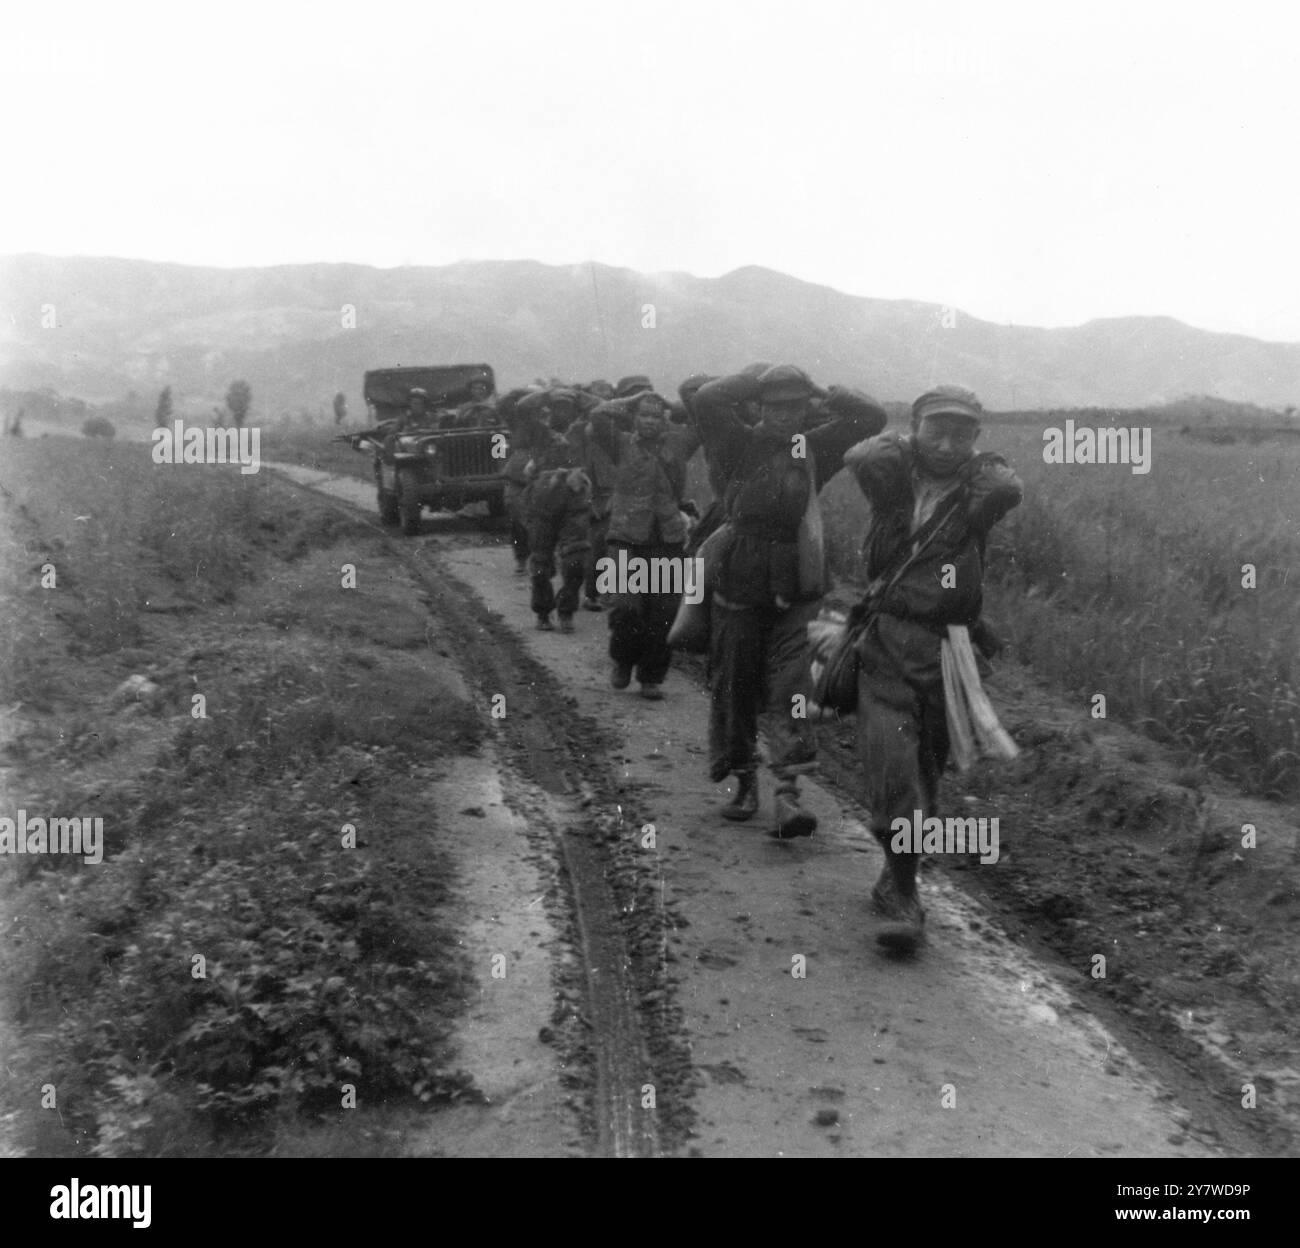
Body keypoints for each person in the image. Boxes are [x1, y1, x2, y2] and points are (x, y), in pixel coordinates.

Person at [844, 384, 1022, 952]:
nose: (946, 445)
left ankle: (896, 878)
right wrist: (901, 442)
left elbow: (1007, 485)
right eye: (934, 431)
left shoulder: (976, 498)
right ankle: (905, 899)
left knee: (925, 768)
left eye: (962, 434)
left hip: (948, 652)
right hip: (887, 642)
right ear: (913, 429)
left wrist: (980, 461)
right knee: (894, 764)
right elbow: (862, 454)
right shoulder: (891, 485)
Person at [692, 365, 886, 837]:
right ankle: (743, 780)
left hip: (797, 586)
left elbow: (871, 418)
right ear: (759, 406)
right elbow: (707, 398)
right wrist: (759, 374)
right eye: (776, 404)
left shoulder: (813, 445)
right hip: (739, 582)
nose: (786, 414)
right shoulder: (735, 441)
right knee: (735, 685)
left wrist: (825, 389)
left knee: (791, 691)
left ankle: (788, 795)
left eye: (796, 405)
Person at [588, 390, 701, 699]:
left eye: (656, 415)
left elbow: (701, 418)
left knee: (664, 611)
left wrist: (678, 406)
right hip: (626, 536)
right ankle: (623, 661)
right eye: (643, 415)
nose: (650, 421)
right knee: (626, 607)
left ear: (664, 419)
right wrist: (632, 399)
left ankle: (651, 676)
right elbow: (598, 415)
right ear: (633, 418)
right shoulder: (621, 442)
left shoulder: (678, 443)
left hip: (668, 536)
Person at [518, 388, 597, 632]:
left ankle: (566, 610)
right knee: (541, 562)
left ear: (576, 409)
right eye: (558, 406)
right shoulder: (540, 431)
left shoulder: (585, 430)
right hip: (542, 500)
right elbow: (521, 407)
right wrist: (550, 393)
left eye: (568, 406)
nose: (562, 411)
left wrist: (578, 395)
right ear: (550, 408)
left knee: (575, 561)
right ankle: (543, 611)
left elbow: (603, 408)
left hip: (574, 501)